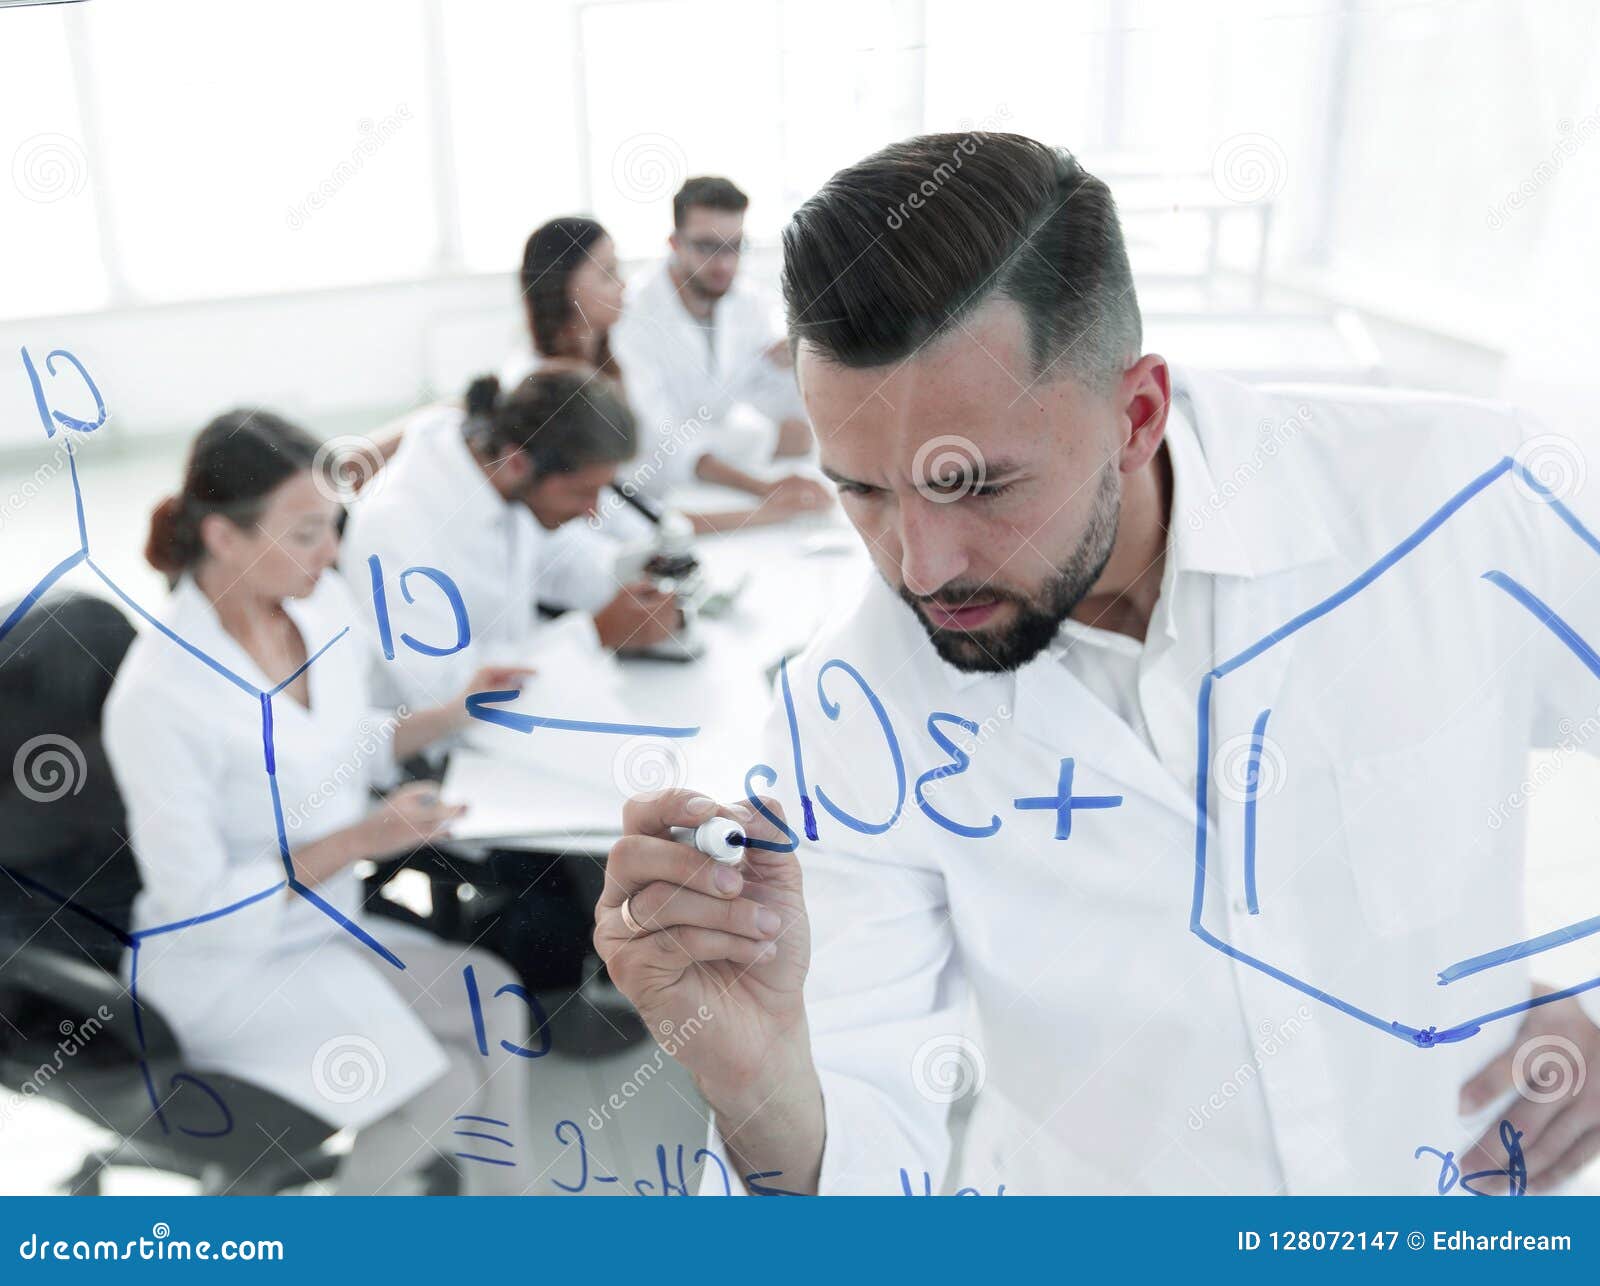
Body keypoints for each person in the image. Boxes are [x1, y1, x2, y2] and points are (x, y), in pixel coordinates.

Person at [593, 133, 1600, 1195]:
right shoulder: (850, 713)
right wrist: (767, 1097)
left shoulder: (1458, 501)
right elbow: (863, 1127)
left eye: (976, 487)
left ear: (1135, 414)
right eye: (865, 491)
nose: (920, 567)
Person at [103, 410, 534, 1195]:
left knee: (494, 1000)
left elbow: (343, 742)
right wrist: (360, 840)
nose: (332, 552)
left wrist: (450, 715)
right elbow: (196, 905)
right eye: (305, 534)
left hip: (322, 926)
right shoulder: (158, 698)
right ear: (224, 538)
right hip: (224, 966)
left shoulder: (320, 604)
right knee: (438, 1089)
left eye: (333, 526)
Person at [341, 366, 680, 712]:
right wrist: (595, 635)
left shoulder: (504, 475)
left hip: (515, 713)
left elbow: (562, 559)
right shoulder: (396, 526)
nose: (593, 512)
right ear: (518, 464)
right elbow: (442, 691)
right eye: (583, 493)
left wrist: (634, 576)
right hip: (445, 751)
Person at [506, 214, 832, 534]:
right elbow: (627, 520)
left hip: (659, 511)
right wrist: (765, 510)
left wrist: (763, 490)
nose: (622, 285)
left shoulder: (615, 358)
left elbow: (665, 445)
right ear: (563, 287)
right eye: (607, 274)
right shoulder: (543, 387)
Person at [607, 177, 832, 511]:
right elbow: (660, 442)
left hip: (721, 482)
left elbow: (791, 420)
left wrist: (798, 364)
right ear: (674, 243)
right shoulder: (632, 314)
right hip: (659, 495)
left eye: (734, 246)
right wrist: (763, 477)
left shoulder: (748, 302)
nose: (724, 263)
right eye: (706, 246)